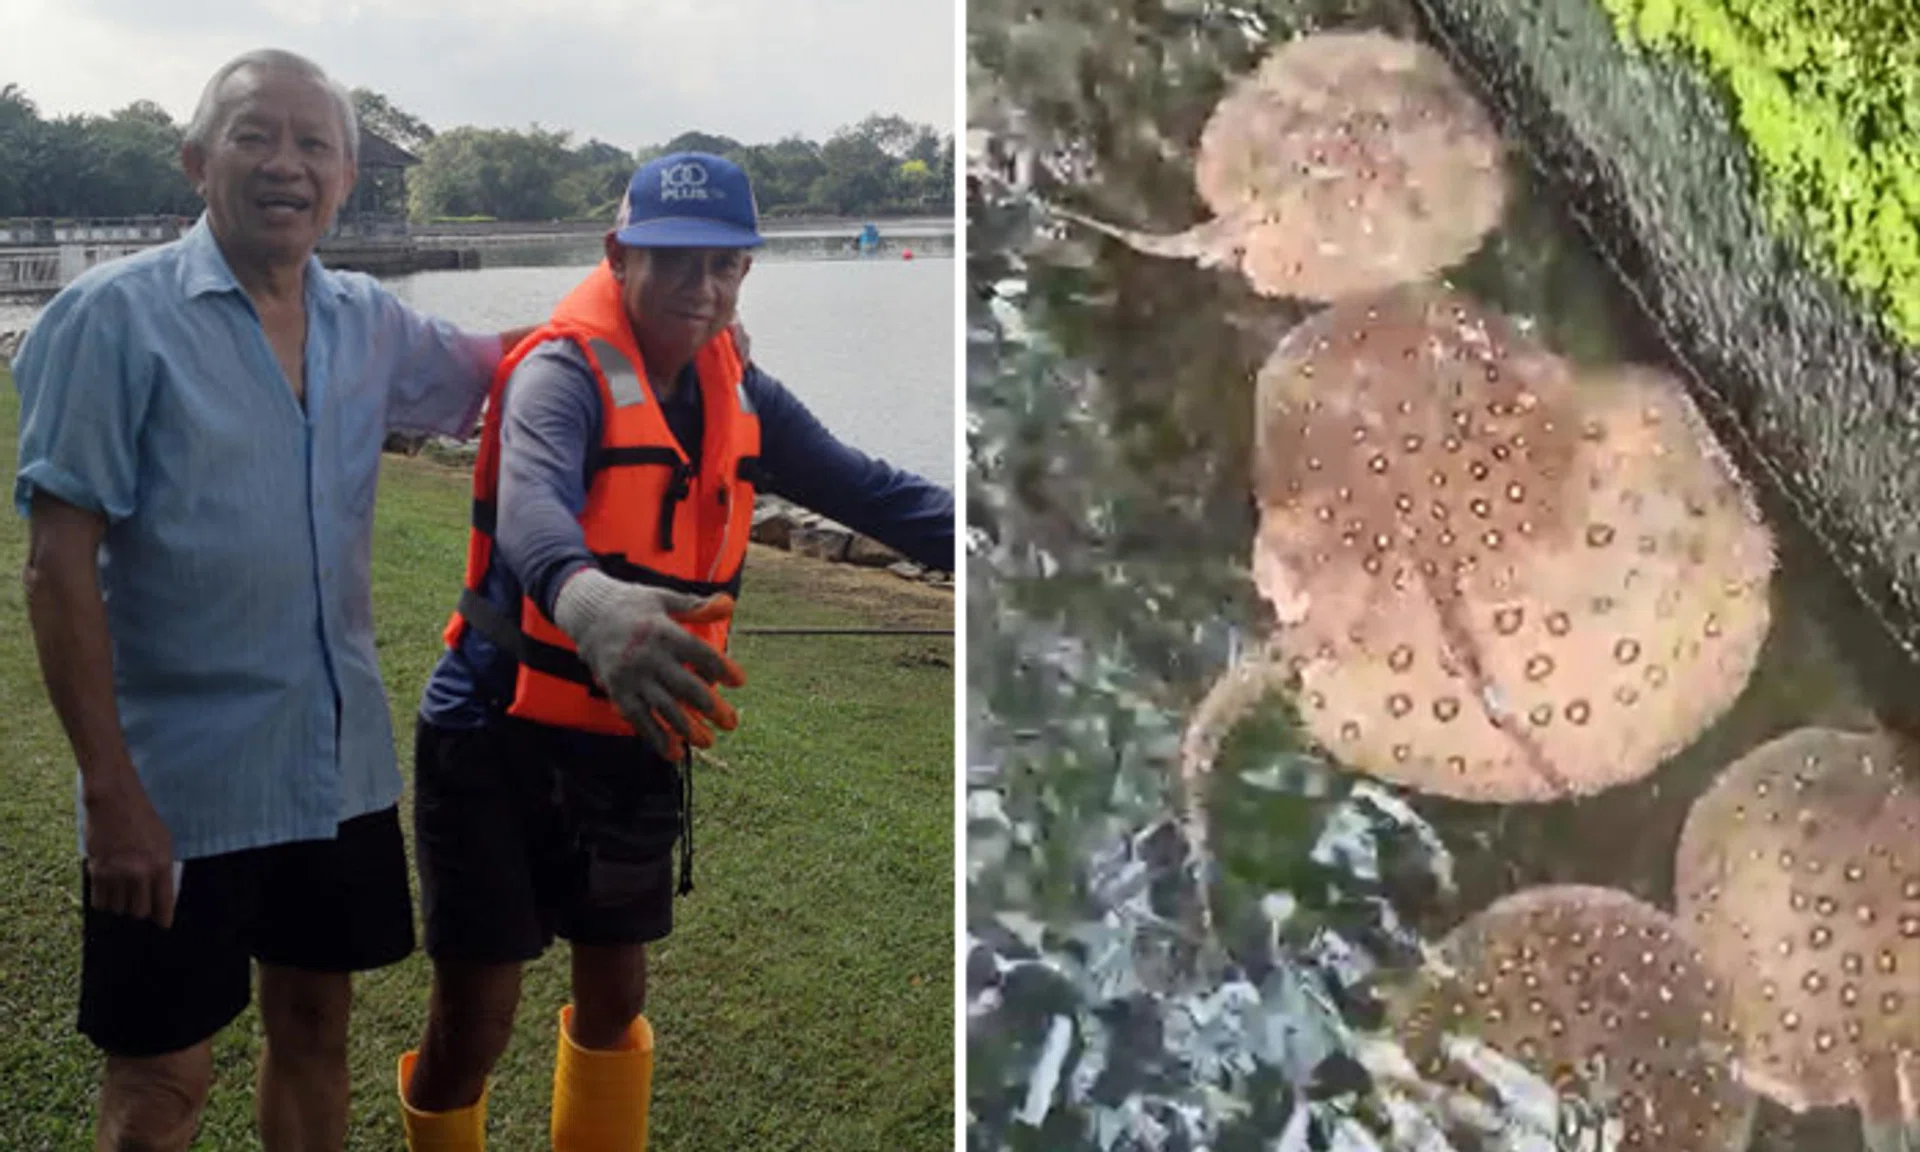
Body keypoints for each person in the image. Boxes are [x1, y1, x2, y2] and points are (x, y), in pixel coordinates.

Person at [11, 48, 534, 1152]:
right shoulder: (114, 321)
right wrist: (110, 792)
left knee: (314, 1027)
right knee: (161, 1081)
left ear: (344, 178)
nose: (285, 164)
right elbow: (57, 567)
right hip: (176, 785)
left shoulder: (369, 324)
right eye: (256, 136)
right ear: (200, 162)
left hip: (330, 770)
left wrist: (665, 328)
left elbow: (511, 368)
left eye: (314, 145)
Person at [393, 151, 953, 1151]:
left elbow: (872, 493)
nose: (700, 290)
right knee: (475, 1018)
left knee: (616, 995)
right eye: (675, 262)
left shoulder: (739, 390)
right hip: (493, 730)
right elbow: (528, 505)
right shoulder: (562, 374)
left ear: (746, 271)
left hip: (629, 729)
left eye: (725, 267)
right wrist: (587, 599)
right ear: (621, 254)